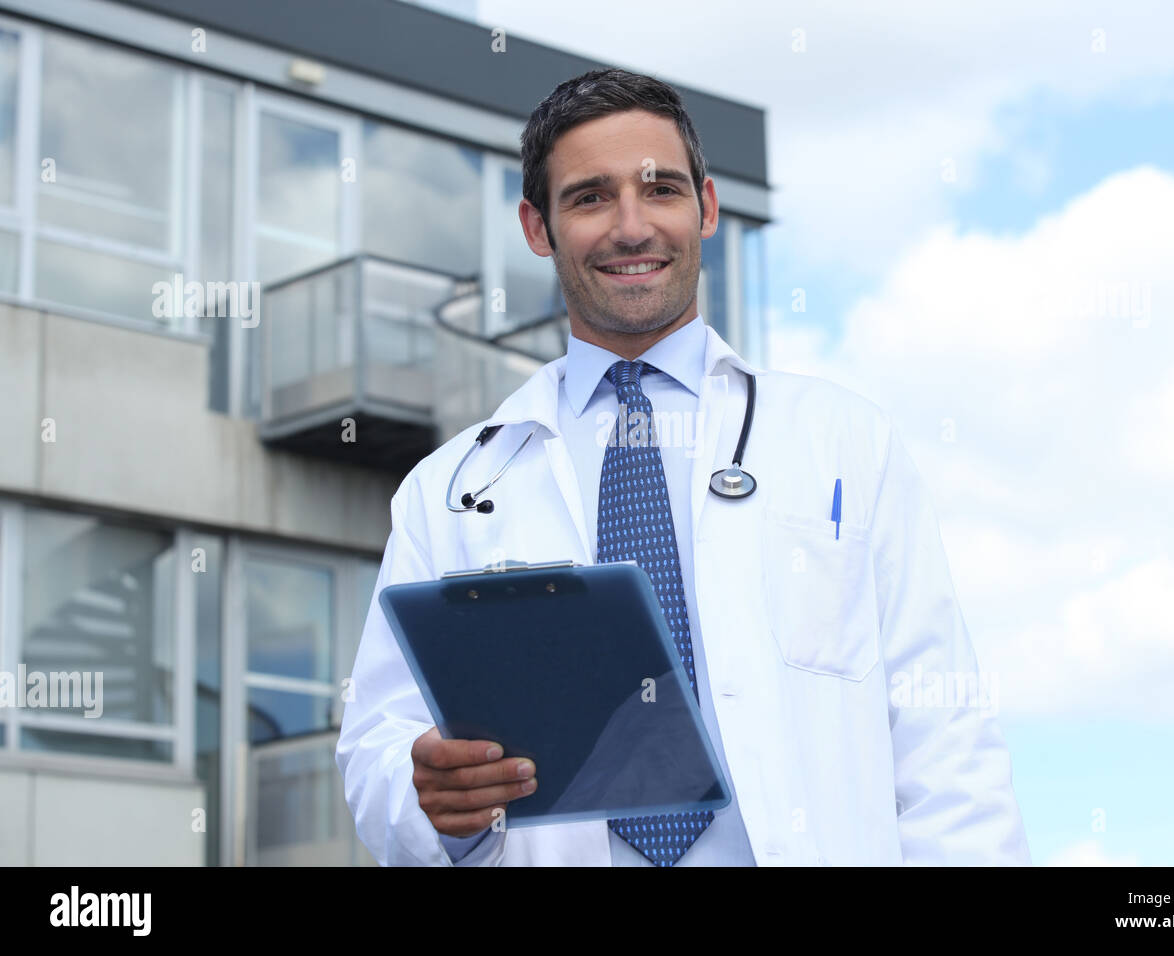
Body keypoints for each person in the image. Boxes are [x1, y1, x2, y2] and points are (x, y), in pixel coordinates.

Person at [336, 67, 1031, 866]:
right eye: (590, 197)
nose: (632, 228)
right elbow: (378, 750)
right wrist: (432, 800)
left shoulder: (845, 442)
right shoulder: (449, 491)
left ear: (704, 209)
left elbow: (946, 742)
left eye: (659, 190)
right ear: (538, 227)